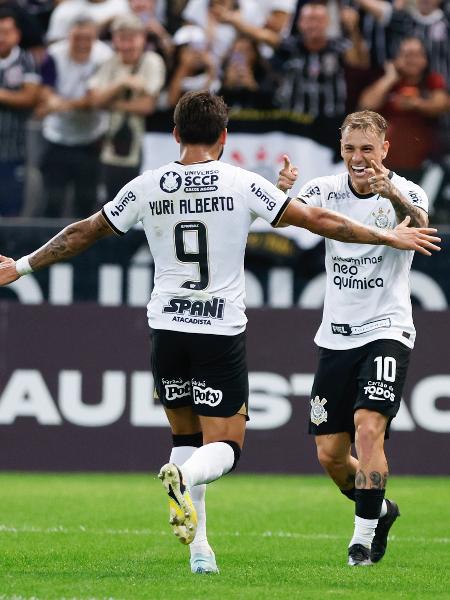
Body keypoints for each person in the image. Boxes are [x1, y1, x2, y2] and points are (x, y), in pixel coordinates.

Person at [0, 93, 439, 575]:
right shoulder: (240, 183)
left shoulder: (147, 185)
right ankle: (184, 480)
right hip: (219, 328)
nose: (358, 158)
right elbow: (317, 221)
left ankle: (201, 552)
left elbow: (84, 231)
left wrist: (21, 265)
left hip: (166, 325)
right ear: (225, 137)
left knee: (184, 434)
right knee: (225, 447)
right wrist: (380, 233)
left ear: (174, 134)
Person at [277, 109, 436, 566]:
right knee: (330, 454)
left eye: (368, 149)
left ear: (385, 149)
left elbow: (421, 219)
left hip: (387, 329)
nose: (358, 158)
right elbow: (281, 221)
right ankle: (381, 512)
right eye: (350, 149)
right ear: (341, 148)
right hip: (335, 335)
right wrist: (282, 191)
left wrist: (397, 199)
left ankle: (361, 542)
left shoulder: (404, 190)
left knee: (369, 430)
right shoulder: (324, 189)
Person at [37, 17, 113, 218]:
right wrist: (52, 101)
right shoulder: (54, 54)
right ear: (69, 36)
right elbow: (45, 89)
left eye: (87, 38)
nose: (82, 43)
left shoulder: (104, 56)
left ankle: (84, 249)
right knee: (52, 199)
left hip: (91, 137)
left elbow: (95, 100)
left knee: (86, 201)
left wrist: (61, 105)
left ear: (94, 38)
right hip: (57, 136)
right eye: (77, 37)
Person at [87, 13, 165, 201]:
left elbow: (147, 105)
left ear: (142, 39)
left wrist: (112, 103)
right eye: (122, 39)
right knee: (112, 202)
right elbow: (95, 101)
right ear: (114, 40)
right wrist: (122, 83)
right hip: (110, 145)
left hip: (144, 145)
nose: (127, 45)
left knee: (138, 200)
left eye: (132, 38)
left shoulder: (151, 61)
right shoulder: (110, 62)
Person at [358, 37, 448, 182]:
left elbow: (442, 104)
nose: (411, 60)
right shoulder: (387, 81)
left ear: (425, 60)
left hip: (425, 165)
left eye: (416, 55)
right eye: (406, 55)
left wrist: (418, 104)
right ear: (397, 58)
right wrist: (390, 78)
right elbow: (365, 104)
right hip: (385, 166)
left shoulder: (431, 81)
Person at [0, 9, 40, 216]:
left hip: (13, 151)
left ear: (17, 34)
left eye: (6, 32)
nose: (1, 37)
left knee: (10, 208)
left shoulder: (26, 60)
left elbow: (30, 97)